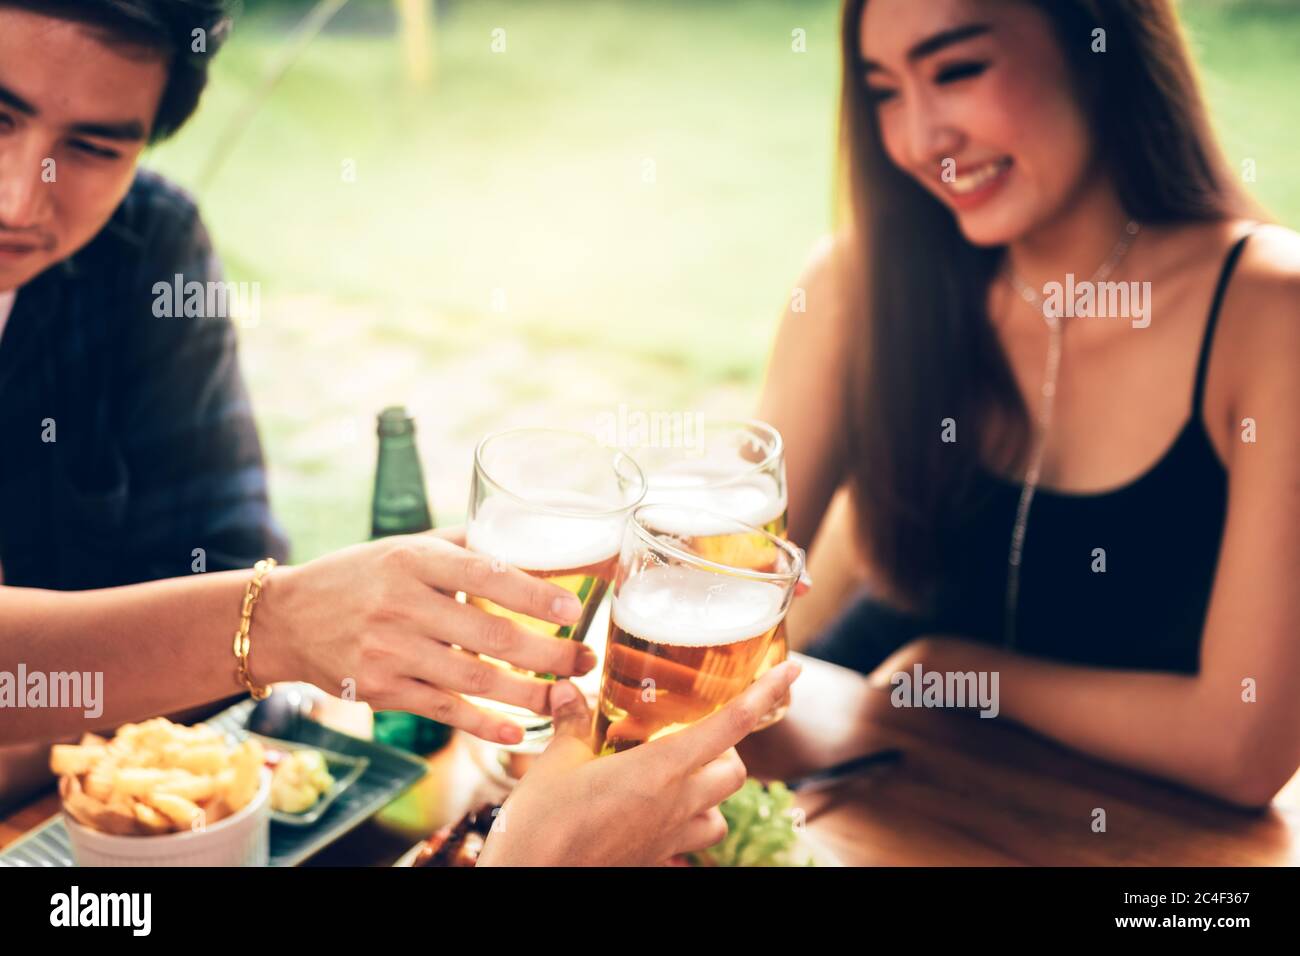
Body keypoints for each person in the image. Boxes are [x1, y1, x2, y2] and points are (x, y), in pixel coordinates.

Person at [761, 0, 1299, 808]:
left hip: (1122, 836)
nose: (918, 141)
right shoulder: (855, 285)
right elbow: (722, 589)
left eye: (958, 70)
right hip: (852, 783)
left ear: (1098, 43)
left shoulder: (1271, 317)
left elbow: (1241, 745)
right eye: (885, 92)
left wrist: (958, 674)